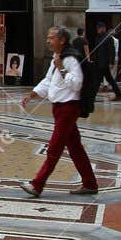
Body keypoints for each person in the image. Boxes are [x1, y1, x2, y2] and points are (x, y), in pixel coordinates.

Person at [19, 26, 99, 198]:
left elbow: (76, 84)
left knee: (54, 148)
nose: (48, 41)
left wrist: (62, 68)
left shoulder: (70, 58)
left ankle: (37, 184)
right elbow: (49, 80)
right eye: (48, 37)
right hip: (58, 107)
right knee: (75, 148)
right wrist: (32, 94)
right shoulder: (57, 57)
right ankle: (90, 183)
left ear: (62, 40)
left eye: (51, 38)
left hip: (69, 107)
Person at [89, 22, 121, 101]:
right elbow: (96, 50)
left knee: (97, 80)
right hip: (98, 62)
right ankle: (119, 94)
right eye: (97, 28)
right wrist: (93, 59)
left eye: (99, 28)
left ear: (103, 28)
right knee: (109, 79)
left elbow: (112, 51)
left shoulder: (108, 38)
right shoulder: (98, 38)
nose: (98, 30)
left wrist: (111, 62)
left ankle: (92, 96)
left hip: (104, 63)